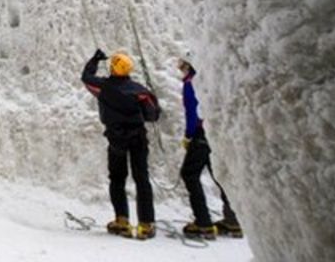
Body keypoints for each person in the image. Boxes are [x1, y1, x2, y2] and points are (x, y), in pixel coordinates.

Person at [81, 48, 161, 240]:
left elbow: (86, 77)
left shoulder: (104, 87)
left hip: (116, 139)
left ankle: (122, 221)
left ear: (113, 68)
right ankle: (146, 224)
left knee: (117, 178)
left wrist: (95, 60)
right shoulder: (139, 90)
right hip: (138, 138)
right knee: (142, 178)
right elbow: (153, 114)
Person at [177, 59, 244, 239]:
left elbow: (192, 111)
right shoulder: (209, 79)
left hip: (201, 133)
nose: (180, 69)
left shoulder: (191, 82)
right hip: (216, 131)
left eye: (182, 65)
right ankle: (234, 219)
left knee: (189, 174)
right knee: (220, 175)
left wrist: (189, 135)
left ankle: (203, 223)